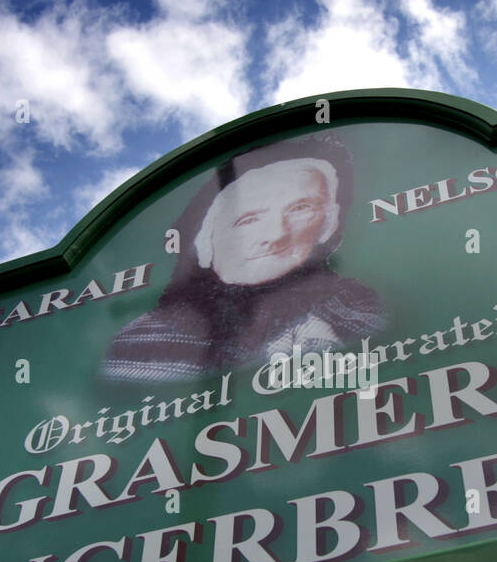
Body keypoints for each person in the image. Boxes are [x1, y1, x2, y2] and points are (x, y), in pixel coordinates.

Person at [99, 134, 387, 383]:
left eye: (300, 208)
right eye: (247, 219)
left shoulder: (361, 311)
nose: (276, 234)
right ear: (206, 240)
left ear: (328, 221)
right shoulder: (143, 343)